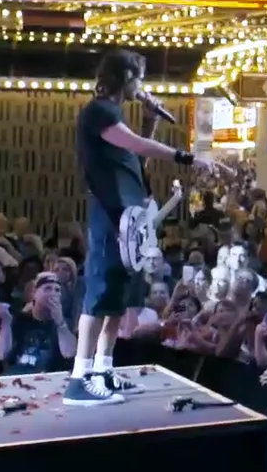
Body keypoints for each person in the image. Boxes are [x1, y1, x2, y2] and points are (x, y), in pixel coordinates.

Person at [71, 48, 226, 405]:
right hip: (109, 214)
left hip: (127, 216)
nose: (142, 86)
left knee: (118, 297)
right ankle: (80, 377)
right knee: (99, 295)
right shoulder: (99, 111)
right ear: (126, 77)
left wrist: (149, 120)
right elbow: (136, 145)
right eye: (139, 78)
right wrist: (186, 157)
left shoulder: (112, 114)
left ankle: (102, 369)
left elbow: (133, 156)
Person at [0, 271, 76, 376]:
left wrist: (60, 323)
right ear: (34, 293)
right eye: (48, 288)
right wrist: (6, 322)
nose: (53, 294)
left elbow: (69, 354)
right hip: (15, 376)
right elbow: (1, 354)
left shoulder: (65, 323)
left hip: (48, 379)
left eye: (57, 290)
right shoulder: (18, 319)